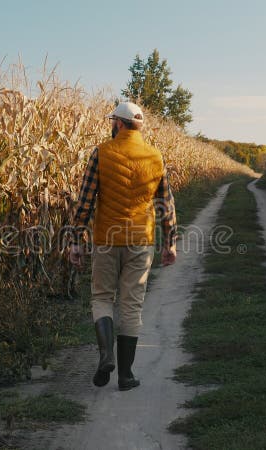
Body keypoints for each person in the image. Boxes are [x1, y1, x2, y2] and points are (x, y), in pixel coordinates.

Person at [69, 101, 177, 391]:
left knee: (102, 297)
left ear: (118, 123)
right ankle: (126, 375)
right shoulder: (155, 157)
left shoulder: (102, 153)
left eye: (112, 121)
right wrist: (170, 242)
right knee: (131, 305)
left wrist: (77, 241)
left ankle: (106, 355)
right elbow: (165, 204)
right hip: (141, 241)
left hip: (106, 239)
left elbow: (85, 202)